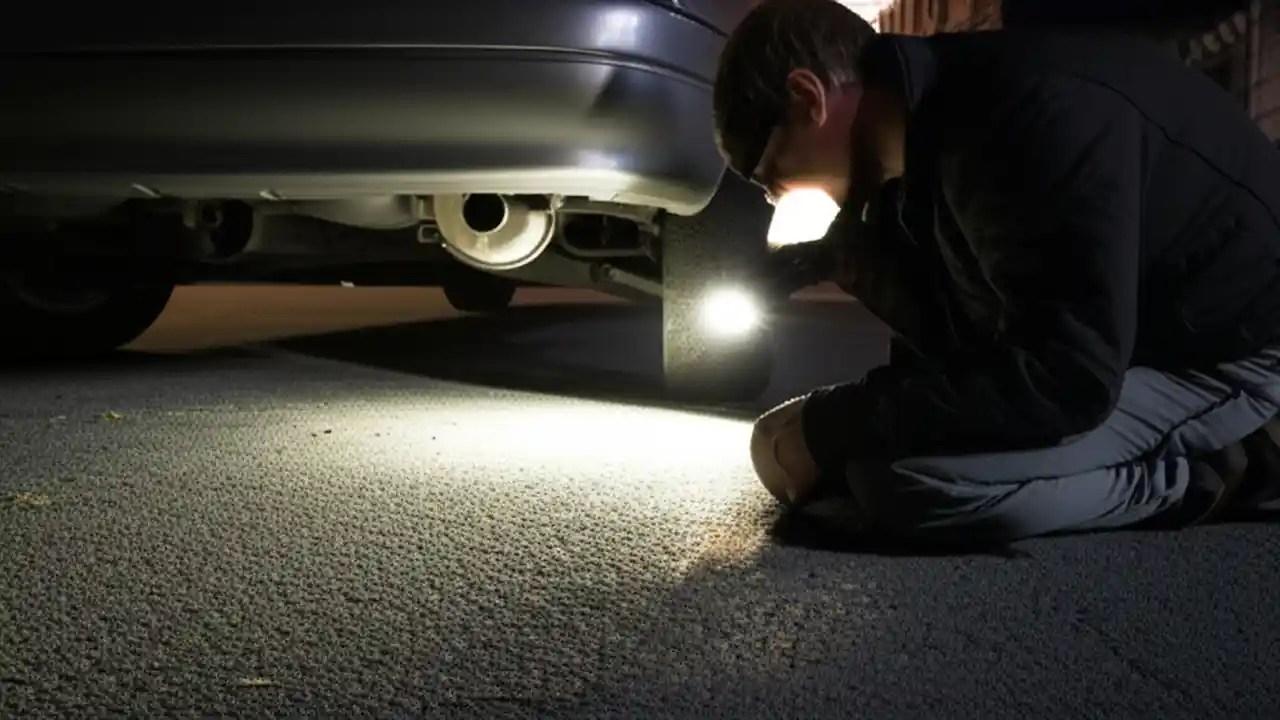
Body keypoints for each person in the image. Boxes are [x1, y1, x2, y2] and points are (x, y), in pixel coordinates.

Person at [719, 0, 1280, 545]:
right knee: (776, 438)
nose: (779, 199)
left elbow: (1066, 379)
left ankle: (1203, 475)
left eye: (774, 176)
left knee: (905, 483)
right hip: (1119, 342)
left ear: (806, 97)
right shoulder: (924, 137)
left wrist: (834, 428)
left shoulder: (1021, 115)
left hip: (1225, 349)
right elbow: (964, 346)